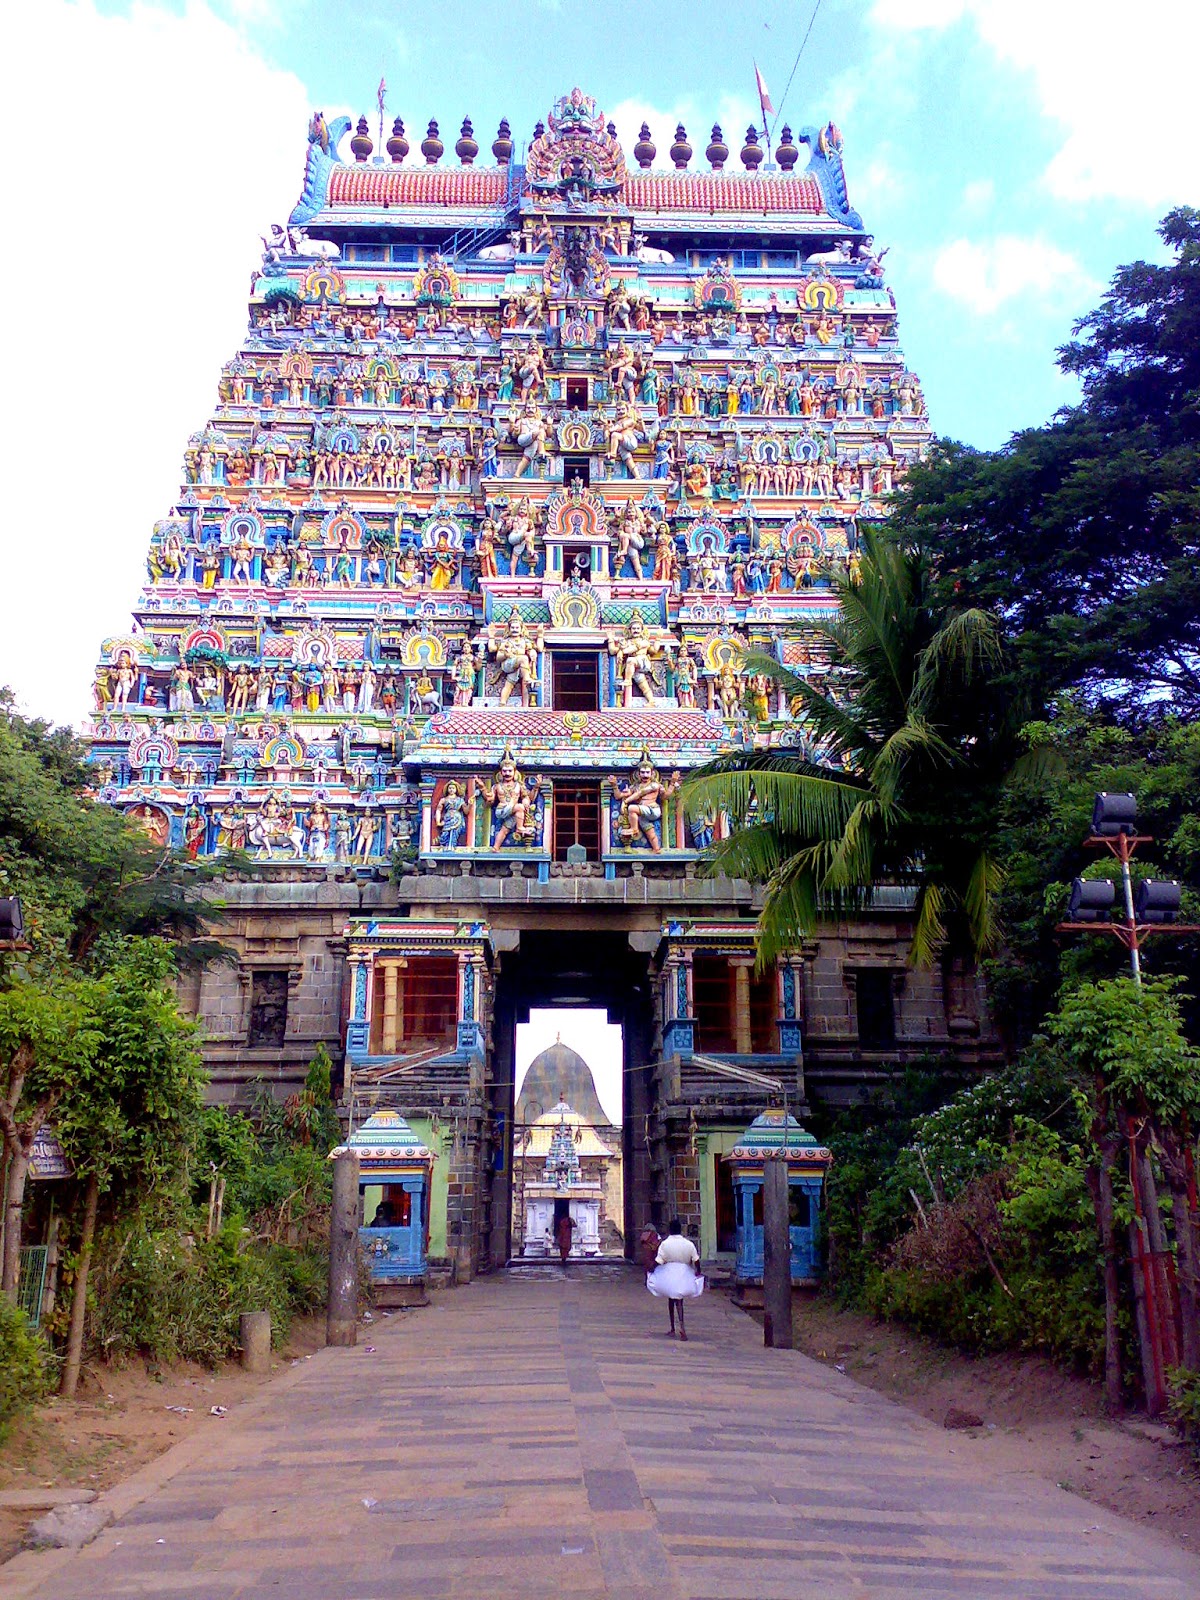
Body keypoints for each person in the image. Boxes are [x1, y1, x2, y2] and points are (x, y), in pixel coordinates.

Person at [646, 1218, 703, 1340]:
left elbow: (659, 1261)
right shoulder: (688, 1244)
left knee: (671, 1300)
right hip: (684, 1274)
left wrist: (651, 1270)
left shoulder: (665, 1244)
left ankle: (673, 1328)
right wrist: (698, 1272)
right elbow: (696, 1260)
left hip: (669, 1274)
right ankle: (681, 1326)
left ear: (670, 1230)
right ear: (680, 1229)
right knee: (679, 1300)